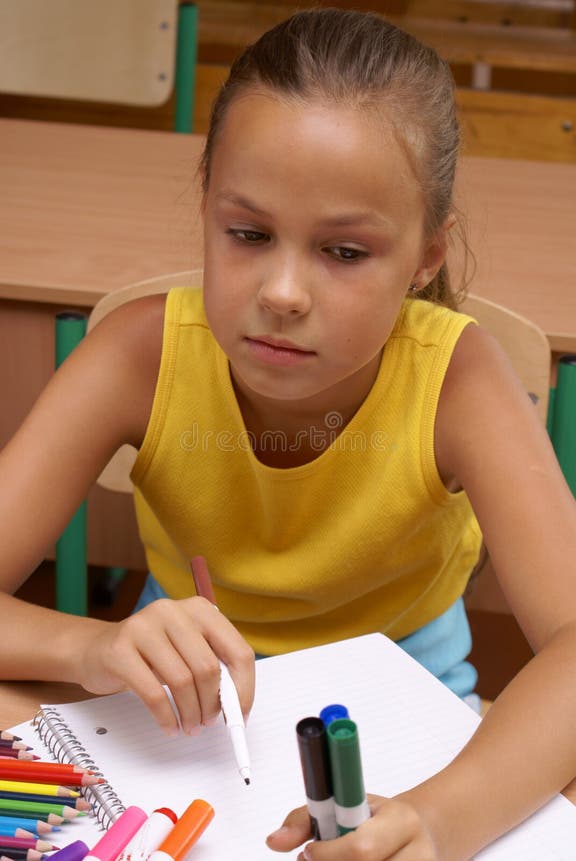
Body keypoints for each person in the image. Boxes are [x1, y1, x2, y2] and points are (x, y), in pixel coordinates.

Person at [1, 7, 576, 859]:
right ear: (206, 207)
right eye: (247, 234)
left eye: (344, 253)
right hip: (177, 717)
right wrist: (97, 644)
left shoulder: (459, 377)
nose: (282, 292)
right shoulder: (135, 353)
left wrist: (436, 820)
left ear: (425, 255)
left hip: (402, 732)